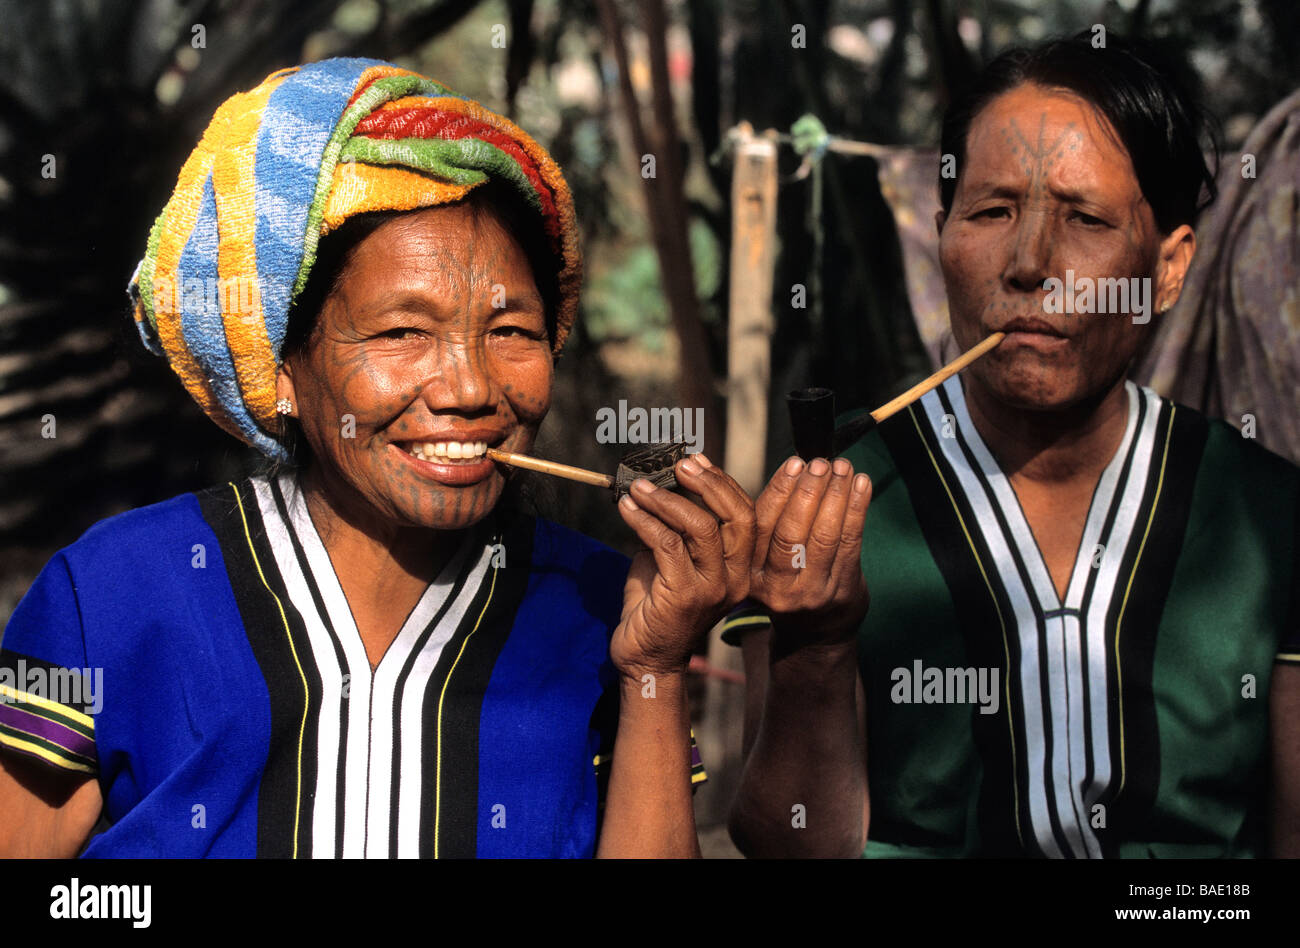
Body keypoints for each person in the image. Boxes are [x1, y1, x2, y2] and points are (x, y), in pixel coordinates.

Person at [0, 58, 755, 858]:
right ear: (281, 367)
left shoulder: (606, 609)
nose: (469, 387)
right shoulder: (113, 593)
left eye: (512, 333)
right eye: (402, 332)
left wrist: (658, 668)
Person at [728, 32, 1300, 858]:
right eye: (992, 211)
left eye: (1086, 219)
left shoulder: (1268, 516)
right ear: (943, 230)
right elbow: (790, 842)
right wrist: (815, 648)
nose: (1030, 264)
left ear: (1170, 268)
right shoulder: (823, 512)